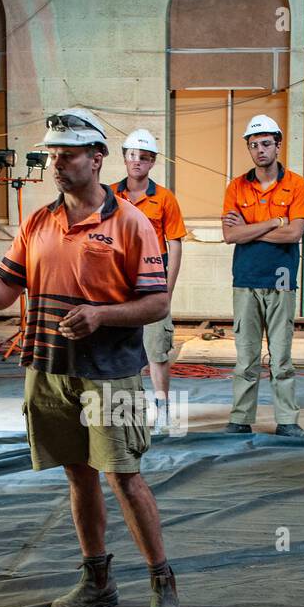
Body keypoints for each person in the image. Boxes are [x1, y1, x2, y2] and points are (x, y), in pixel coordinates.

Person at [0, 108, 182, 607]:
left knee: (123, 475)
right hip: (48, 367)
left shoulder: (131, 223)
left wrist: (101, 315)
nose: (56, 163)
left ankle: (163, 584)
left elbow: (159, 302)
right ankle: (98, 580)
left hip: (109, 374)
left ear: (96, 159)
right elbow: (2, 292)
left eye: (67, 154)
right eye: (51, 154)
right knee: (77, 471)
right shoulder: (38, 222)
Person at [221, 114, 304, 438]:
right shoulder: (236, 186)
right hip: (246, 278)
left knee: (282, 356)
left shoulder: (296, 184)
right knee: (246, 356)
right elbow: (230, 236)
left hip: (281, 277)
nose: (260, 150)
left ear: (278, 144)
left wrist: (249, 229)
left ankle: (287, 420)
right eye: (253, 145)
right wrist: (274, 222)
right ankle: (240, 418)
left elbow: (294, 235)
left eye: (265, 143)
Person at [114, 128, 186, 435]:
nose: (137, 162)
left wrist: (167, 291)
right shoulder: (110, 195)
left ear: (152, 162)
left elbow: (177, 244)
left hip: (153, 284)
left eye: (144, 157)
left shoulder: (165, 198)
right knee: (119, 351)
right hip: (118, 284)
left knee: (157, 349)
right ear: (125, 158)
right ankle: (125, 413)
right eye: (132, 156)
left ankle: (163, 409)